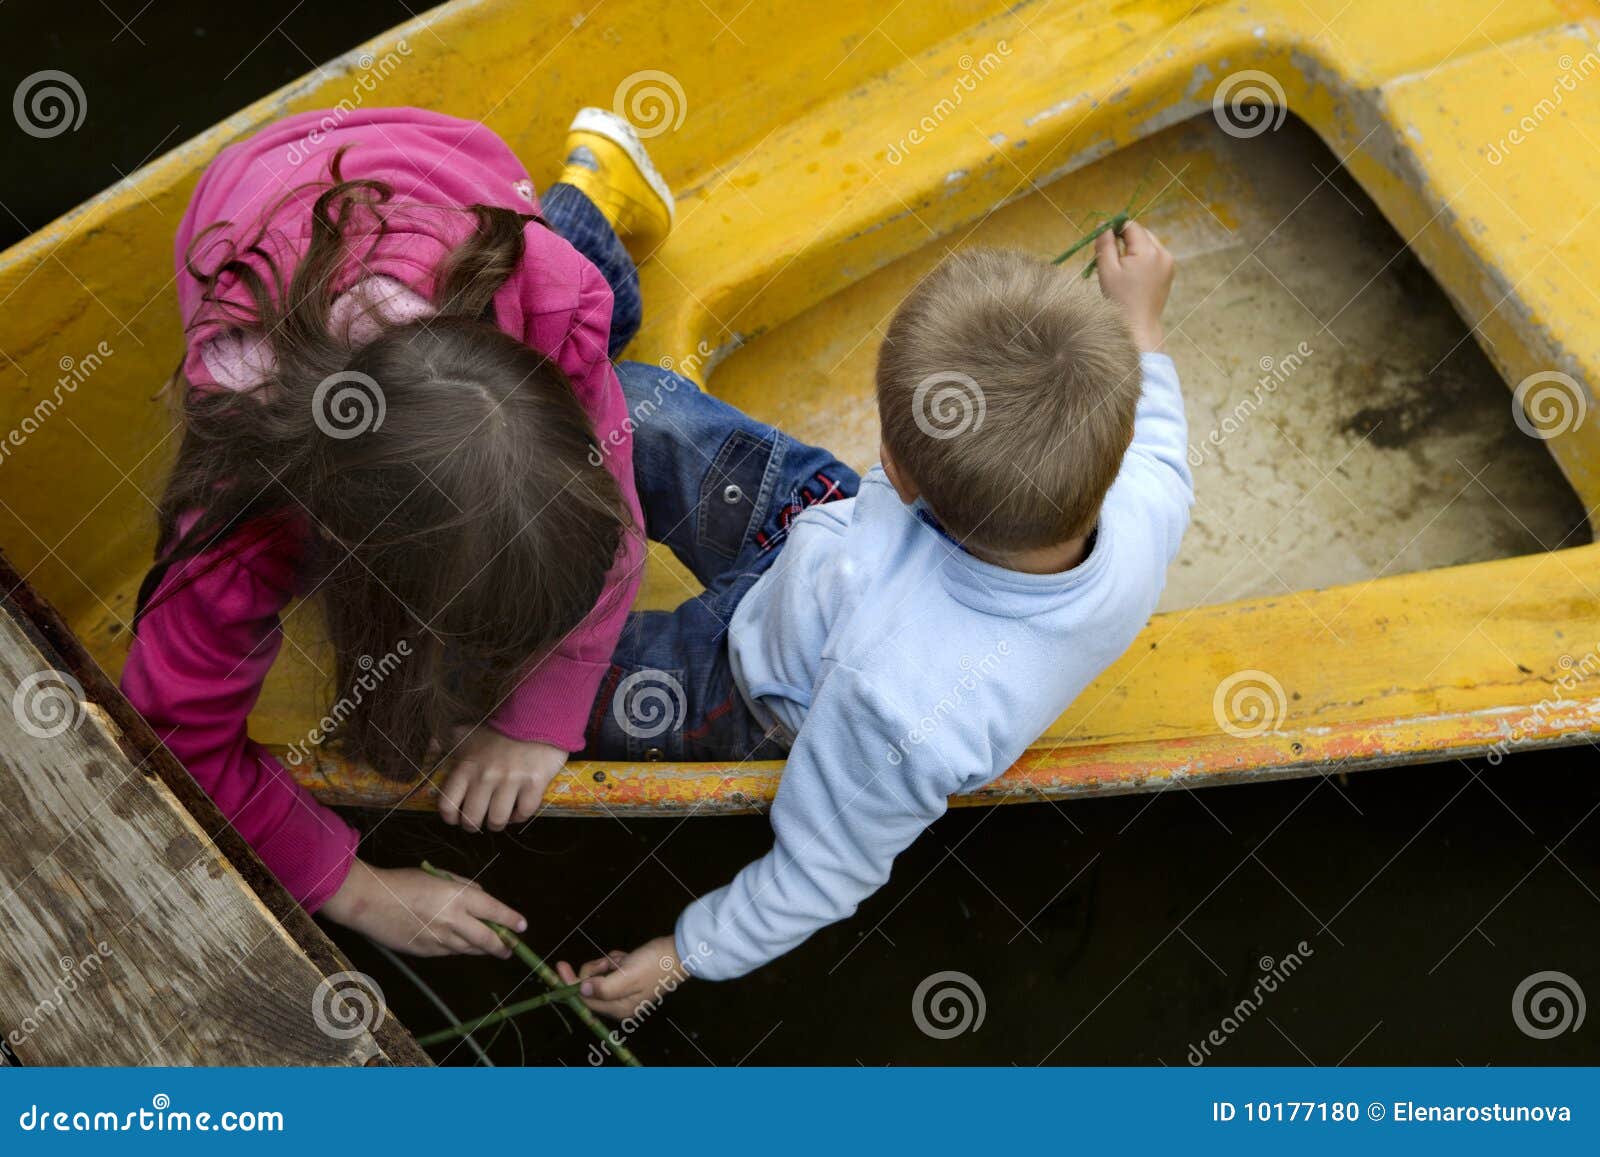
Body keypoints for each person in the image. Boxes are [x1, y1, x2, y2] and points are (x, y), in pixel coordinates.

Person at [559, 224, 1191, 1014]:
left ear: (893, 468)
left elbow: (822, 868)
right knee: (644, 413)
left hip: (750, 677)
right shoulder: (1142, 501)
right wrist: (1140, 325)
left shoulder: (898, 700)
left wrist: (686, 951)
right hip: (818, 526)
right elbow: (1161, 439)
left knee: (554, 691)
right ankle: (520, 449)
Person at [122, 106, 674, 956]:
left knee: (603, 303)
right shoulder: (238, 519)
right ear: (356, 577)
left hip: (445, 175)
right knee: (607, 312)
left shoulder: (543, 298)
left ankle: (593, 190)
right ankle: (587, 192)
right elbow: (172, 729)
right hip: (253, 192)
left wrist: (542, 709)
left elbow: (613, 492)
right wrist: (358, 889)